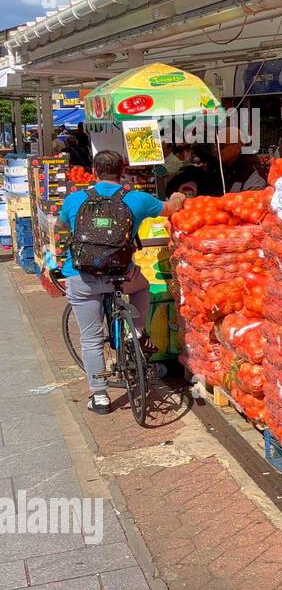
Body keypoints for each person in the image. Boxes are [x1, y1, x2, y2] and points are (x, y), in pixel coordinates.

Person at [61, 151, 186, 414]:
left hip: (82, 277)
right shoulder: (137, 199)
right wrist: (178, 198)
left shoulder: (74, 199)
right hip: (122, 276)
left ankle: (100, 397)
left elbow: (63, 224)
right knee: (144, 286)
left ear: (94, 170)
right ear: (122, 171)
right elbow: (170, 208)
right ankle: (136, 330)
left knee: (91, 338)